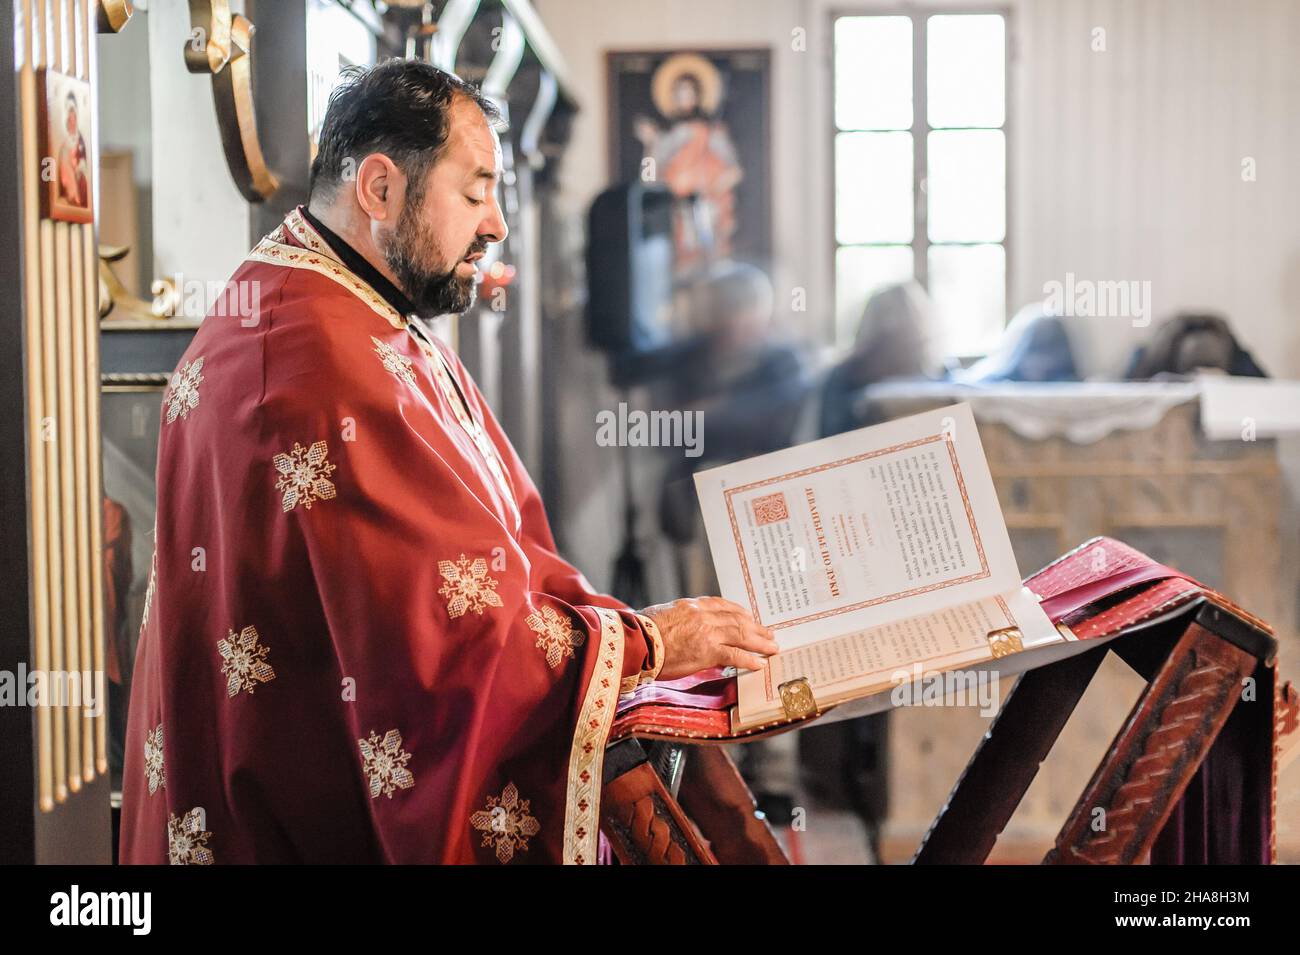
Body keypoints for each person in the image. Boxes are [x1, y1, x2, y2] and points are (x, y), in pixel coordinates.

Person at [120, 59, 777, 865]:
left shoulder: (339, 302)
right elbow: (442, 639)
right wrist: (644, 643)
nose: (498, 223)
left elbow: (487, 561)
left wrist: (618, 642)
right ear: (381, 188)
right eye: (475, 193)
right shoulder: (314, 361)